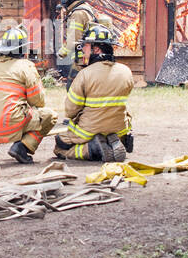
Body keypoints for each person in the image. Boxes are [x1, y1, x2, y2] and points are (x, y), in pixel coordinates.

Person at [54, 24, 135, 162]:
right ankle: (115, 141)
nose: (83, 50)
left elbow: (70, 110)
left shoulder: (85, 74)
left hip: (88, 131)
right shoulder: (126, 71)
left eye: (86, 46)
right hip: (119, 129)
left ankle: (92, 149)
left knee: (60, 147)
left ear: (96, 49)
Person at [0, 25, 56, 165]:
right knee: (49, 116)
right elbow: (38, 101)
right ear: (23, 49)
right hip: (12, 123)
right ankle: (22, 147)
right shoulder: (26, 67)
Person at [55, 0, 97, 84]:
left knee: (73, 88)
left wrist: (60, 54)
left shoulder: (78, 13)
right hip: (86, 59)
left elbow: (73, 41)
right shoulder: (84, 9)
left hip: (81, 61)